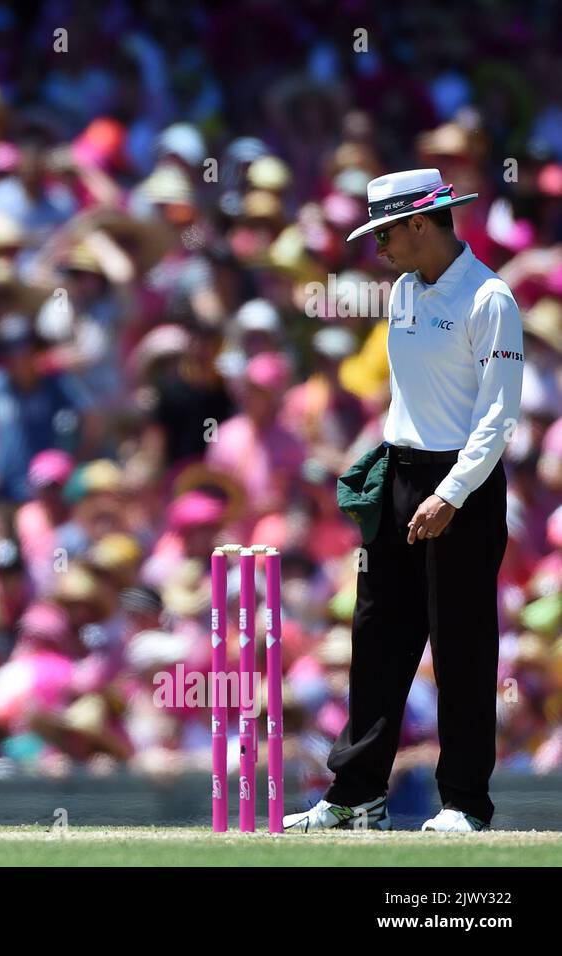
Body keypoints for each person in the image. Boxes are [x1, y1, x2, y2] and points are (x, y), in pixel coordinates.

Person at [285, 169, 523, 833]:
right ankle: (356, 793)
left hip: (464, 487)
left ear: (421, 223)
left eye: (385, 231)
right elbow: (408, 401)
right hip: (400, 477)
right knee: (378, 637)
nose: (378, 247)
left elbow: (498, 416)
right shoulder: (401, 294)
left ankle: (465, 804)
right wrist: (381, 464)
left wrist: (450, 493)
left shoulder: (489, 298)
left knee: (462, 649)